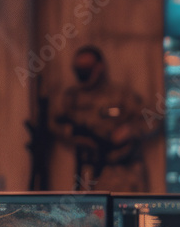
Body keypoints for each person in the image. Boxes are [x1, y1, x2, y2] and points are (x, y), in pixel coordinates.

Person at [52, 45, 153, 192]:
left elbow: (152, 119)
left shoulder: (120, 95)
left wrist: (130, 131)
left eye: (87, 67)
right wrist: (76, 137)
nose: (82, 72)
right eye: (79, 68)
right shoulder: (71, 98)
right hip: (89, 174)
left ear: (100, 67)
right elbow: (55, 124)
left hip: (122, 172)